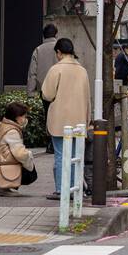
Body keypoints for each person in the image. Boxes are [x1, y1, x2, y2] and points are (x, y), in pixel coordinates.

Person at [41, 38, 92, 200]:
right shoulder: (82, 70)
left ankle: (61, 190)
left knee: (61, 155)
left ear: (59, 52)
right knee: (76, 157)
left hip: (59, 120)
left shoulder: (56, 69)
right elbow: (88, 99)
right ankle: (74, 188)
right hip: (79, 121)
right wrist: (87, 120)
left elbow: (47, 95)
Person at [27, 24, 60, 155]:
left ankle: (50, 142)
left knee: (48, 115)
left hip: (45, 90)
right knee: (60, 114)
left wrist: (30, 93)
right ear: (56, 34)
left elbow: (32, 73)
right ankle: (59, 141)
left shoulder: (38, 50)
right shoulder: (61, 48)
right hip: (60, 87)